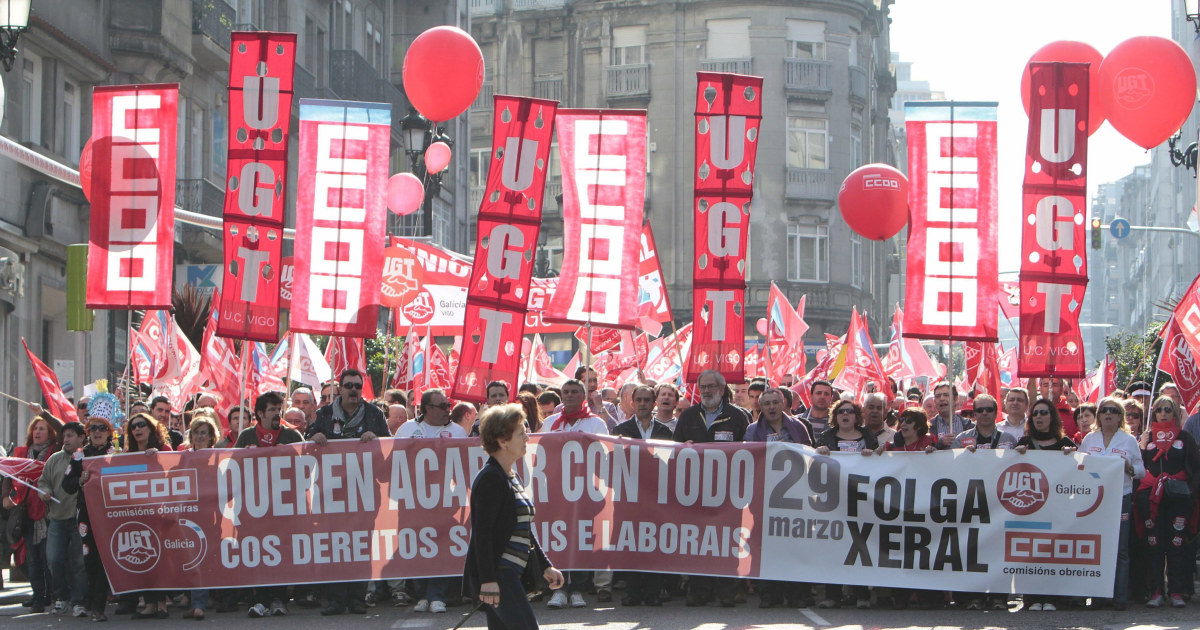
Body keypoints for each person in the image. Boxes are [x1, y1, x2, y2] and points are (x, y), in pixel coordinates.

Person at [465, 403, 564, 629]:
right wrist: (488, 580)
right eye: (521, 433)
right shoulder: (491, 478)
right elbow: (482, 534)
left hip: (510, 573)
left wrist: (545, 566)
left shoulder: (509, 475)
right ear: (502, 440)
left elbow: (523, 529)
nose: (527, 438)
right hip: (500, 574)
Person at [306, 370, 388, 615]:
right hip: (332, 492)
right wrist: (314, 437)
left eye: (357, 386)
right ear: (340, 388)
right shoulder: (324, 414)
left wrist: (376, 440)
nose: (353, 389)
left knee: (361, 546)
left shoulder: (375, 414)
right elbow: (306, 448)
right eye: (349, 385)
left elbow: (389, 449)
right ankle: (336, 600)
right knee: (334, 546)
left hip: (364, 492)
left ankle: (357, 599)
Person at [674, 370, 749, 607]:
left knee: (728, 541)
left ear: (721, 387)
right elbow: (674, 450)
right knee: (698, 541)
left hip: (728, 491)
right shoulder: (688, 416)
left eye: (710, 386)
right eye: (702, 387)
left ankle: (728, 591)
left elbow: (749, 453)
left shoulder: (737, 416)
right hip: (695, 492)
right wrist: (682, 447)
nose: (706, 391)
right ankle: (699, 590)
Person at [233, 391, 300, 617]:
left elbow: (306, 468)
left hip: (284, 507)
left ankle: (279, 599)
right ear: (260, 413)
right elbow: (233, 470)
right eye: (271, 410)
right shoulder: (246, 437)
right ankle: (260, 599)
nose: (276, 414)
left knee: (279, 552)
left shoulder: (292, 436)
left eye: (278, 410)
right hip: (255, 507)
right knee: (257, 553)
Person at [542, 379, 607, 607]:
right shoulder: (550, 422)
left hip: (586, 491)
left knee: (581, 539)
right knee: (557, 539)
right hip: (555, 491)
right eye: (566, 392)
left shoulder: (596, 424)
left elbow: (603, 456)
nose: (569, 395)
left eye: (574, 392)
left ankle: (577, 587)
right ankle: (558, 589)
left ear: (583, 396)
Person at [744, 387, 811, 609]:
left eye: (775, 402)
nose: (771, 407)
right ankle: (769, 594)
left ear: (782, 404)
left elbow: (810, 455)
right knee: (767, 548)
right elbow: (748, 460)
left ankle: (796, 593)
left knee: (795, 547)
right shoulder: (753, 430)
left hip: (795, 499)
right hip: (764, 498)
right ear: (760, 407)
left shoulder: (798, 426)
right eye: (767, 404)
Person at [1134, 396, 1199, 608]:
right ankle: (1155, 591)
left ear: (1175, 413)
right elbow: (1138, 466)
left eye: (1168, 409)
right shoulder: (1147, 438)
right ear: (1153, 413)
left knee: (1177, 544)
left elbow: (1195, 468)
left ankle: (1177, 592)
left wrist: (1190, 491)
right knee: (1154, 545)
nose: (1163, 413)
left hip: (1179, 500)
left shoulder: (1185, 438)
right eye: (1159, 409)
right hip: (1151, 500)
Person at [1079, 397, 1143, 610]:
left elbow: (1142, 471)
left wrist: (1129, 467)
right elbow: (1077, 466)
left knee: (1120, 549)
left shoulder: (1129, 440)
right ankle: (1097, 597)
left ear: (1120, 417)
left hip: (1121, 498)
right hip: (1095, 500)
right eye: (1104, 410)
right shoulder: (1089, 438)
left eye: (1113, 411)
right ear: (1098, 415)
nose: (1108, 413)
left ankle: (1120, 598)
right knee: (1097, 548)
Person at [611, 386, 672, 606]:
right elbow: (612, 462)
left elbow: (670, 464)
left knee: (654, 544)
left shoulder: (665, 432)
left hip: (656, 497)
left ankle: (653, 592)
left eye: (647, 399)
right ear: (632, 403)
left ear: (654, 403)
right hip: (628, 497)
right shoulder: (620, 430)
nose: (643, 403)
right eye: (639, 400)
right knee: (630, 544)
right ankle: (633, 591)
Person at [814, 399, 878, 609]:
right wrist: (819, 451)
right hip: (834, 500)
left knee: (859, 547)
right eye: (841, 411)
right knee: (834, 547)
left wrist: (873, 455)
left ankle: (861, 595)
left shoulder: (868, 436)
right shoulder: (826, 437)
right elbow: (813, 463)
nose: (845, 414)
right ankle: (833, 595)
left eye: (850, 411)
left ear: (857, 416)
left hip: (862, 499)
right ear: (835, 415)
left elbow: (882, 462)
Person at [1014, 398, 1076, 612]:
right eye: (1035, 414)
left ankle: (1052, 598)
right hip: (1030, 508)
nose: (1039, 417)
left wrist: (1071, 456)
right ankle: (1031, 598)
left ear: (1052, 417)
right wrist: (1017, 454)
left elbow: (1075, 474)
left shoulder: (1065, 443)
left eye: (1043, 413)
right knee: (1030, 553)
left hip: (1056, 509)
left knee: (1052, 552)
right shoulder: (1023, 443)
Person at [63, 394, 119, 622]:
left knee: (106, 558)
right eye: (93, 427)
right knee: (89, 558)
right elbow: (66, 485)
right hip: (86, 514)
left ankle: (98, 605)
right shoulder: (79, 456)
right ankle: (91, 601)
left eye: (102, 428)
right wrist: (80, 479)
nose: (97, 432)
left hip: (110, 514)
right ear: (87, 431)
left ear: (109, 432)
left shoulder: (117, 455)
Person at [4, 415, 60, 613]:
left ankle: (51, 596)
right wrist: (6, 497)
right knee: (33, 559)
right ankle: (37, 596)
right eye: (35, 428)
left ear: (51, 434)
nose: (37, 432)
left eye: (43, 428)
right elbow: (7, 474)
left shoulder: (55, 453)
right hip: (26, 511)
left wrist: (43, 412)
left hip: (47, 512)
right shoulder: (22, 453)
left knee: (48, 558)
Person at [123, 412, 172, 619]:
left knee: (161, 558)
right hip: (138, 514)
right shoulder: (128, 454)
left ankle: (162, 603)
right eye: (133, 427)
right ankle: (150, 603)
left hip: (160, 513)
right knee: (144, 557)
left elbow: (173, 471)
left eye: (141, 424)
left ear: (151, 428)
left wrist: (159, 458)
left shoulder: (164, 449)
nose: (137, 429)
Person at [37, 421, 89, 618]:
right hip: (57, 519)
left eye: (70, 435)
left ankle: (79, 601)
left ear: (81, 437)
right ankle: (61, 597)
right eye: (64, 436)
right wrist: (45, 492)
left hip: (78, 519)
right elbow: (43, 482)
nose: (66, 439)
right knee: (54, 559)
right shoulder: (54, 460)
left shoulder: (87, 458)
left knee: (78, 563)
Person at [180, 414, 222, 620]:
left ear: (211, 436)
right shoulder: (184, 456)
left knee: (206, 559)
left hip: (211, 515)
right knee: (193, 558)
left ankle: (201, 602)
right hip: (189, 514)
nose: (199, 436)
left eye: (203, 433)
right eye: (195, 432)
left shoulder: (218, 457)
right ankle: (197, 601)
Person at [952, 394, 1017, 452]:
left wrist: (1021, 452)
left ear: (995, 413)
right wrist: (962, 454)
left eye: (989, 409)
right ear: (974, 414)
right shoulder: (961, 440)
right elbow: (952, 461)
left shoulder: (1009, 440)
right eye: (980, 410)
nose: (984, 413)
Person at [930, 381, 972, 447]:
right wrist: (940, 443)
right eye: (938, 396)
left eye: (946, 395)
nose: (942, 399)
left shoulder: (969, 425)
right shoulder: (928, 427)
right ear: (934, 401)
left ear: (956, 398)